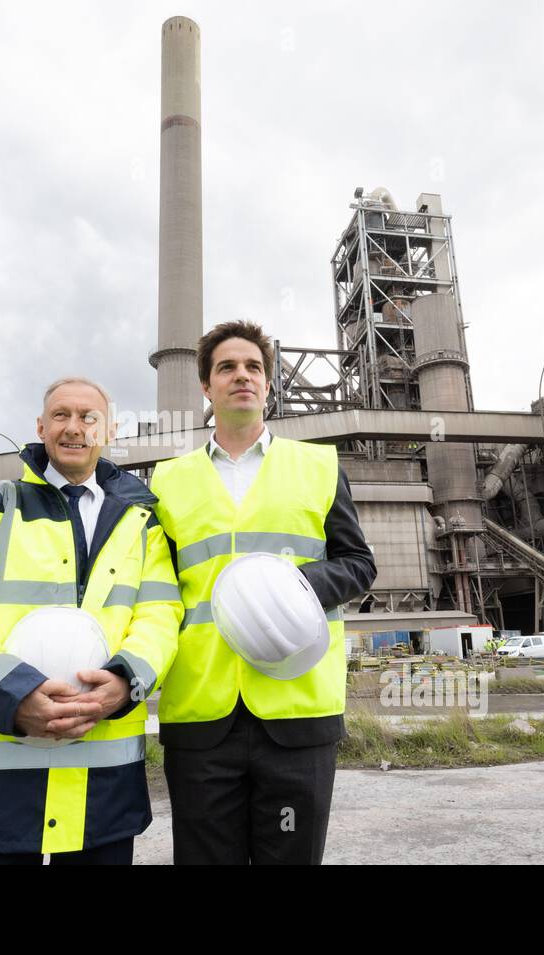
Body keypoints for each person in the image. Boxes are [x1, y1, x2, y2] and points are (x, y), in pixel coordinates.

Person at [0, 377, 182, 864]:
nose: (74, 428)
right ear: (40, 427)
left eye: (88, 417)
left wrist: (126, 683)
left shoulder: (141, 523)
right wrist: (12, 695)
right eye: (61, 416)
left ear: (108, 431)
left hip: (102, 781)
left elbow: (161, 616)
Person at [150, 320, 378, 864]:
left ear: (269, 384)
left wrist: (294, 588)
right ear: (206, 386)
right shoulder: (166, 480)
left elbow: (359, 564)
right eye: (226, 367)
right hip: (202, 717)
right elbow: (154, 590)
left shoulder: (318, 466)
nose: (241, 376)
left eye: (253, 367)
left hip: (297, 712)